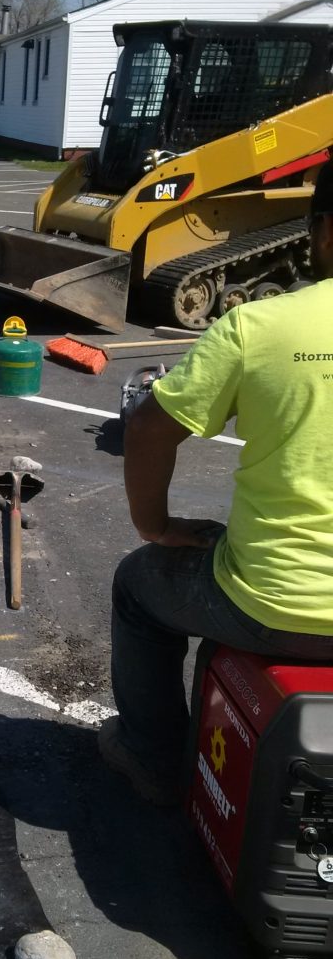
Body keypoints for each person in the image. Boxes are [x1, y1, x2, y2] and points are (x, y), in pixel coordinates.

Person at [100, 160, 333, 807]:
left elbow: (149, 429)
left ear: (324, 232)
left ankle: (151, 755)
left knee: (138, 585)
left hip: (277, 605)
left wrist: (156, 528)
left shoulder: (261, 326)